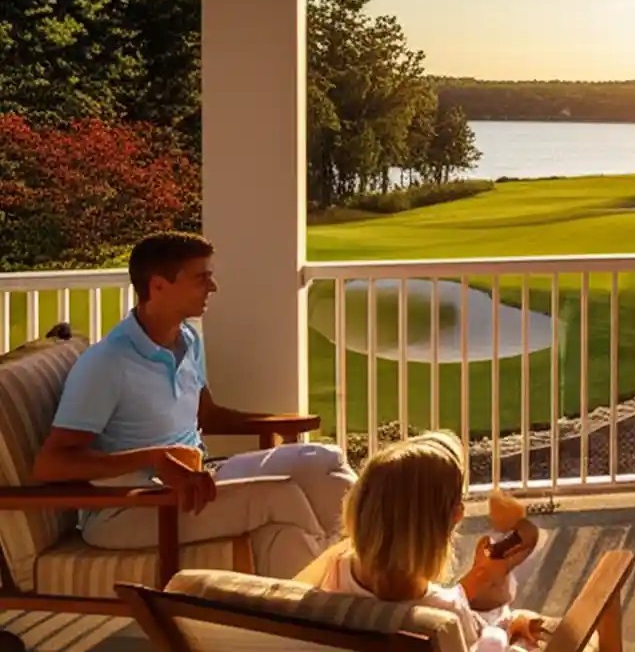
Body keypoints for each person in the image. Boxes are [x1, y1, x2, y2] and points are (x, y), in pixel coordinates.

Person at [32, 231, 357, 579]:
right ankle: (337, 586)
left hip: (195, 483)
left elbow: (207, 415)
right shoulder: (107, 364)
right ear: (158, 286)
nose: (213, 287)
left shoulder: (186, 339)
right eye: (202, 277)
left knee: (324, 462)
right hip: (128, 508)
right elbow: (51, 464)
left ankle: (364, 570)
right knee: (282, 497)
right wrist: (154, 458)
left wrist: (280, 421)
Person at [310, 432, 547, 650]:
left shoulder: (338, 569)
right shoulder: (446, 615)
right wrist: (510, 626)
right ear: (455, 517)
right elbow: (474, 634)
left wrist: (480, 575)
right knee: (495, 637)